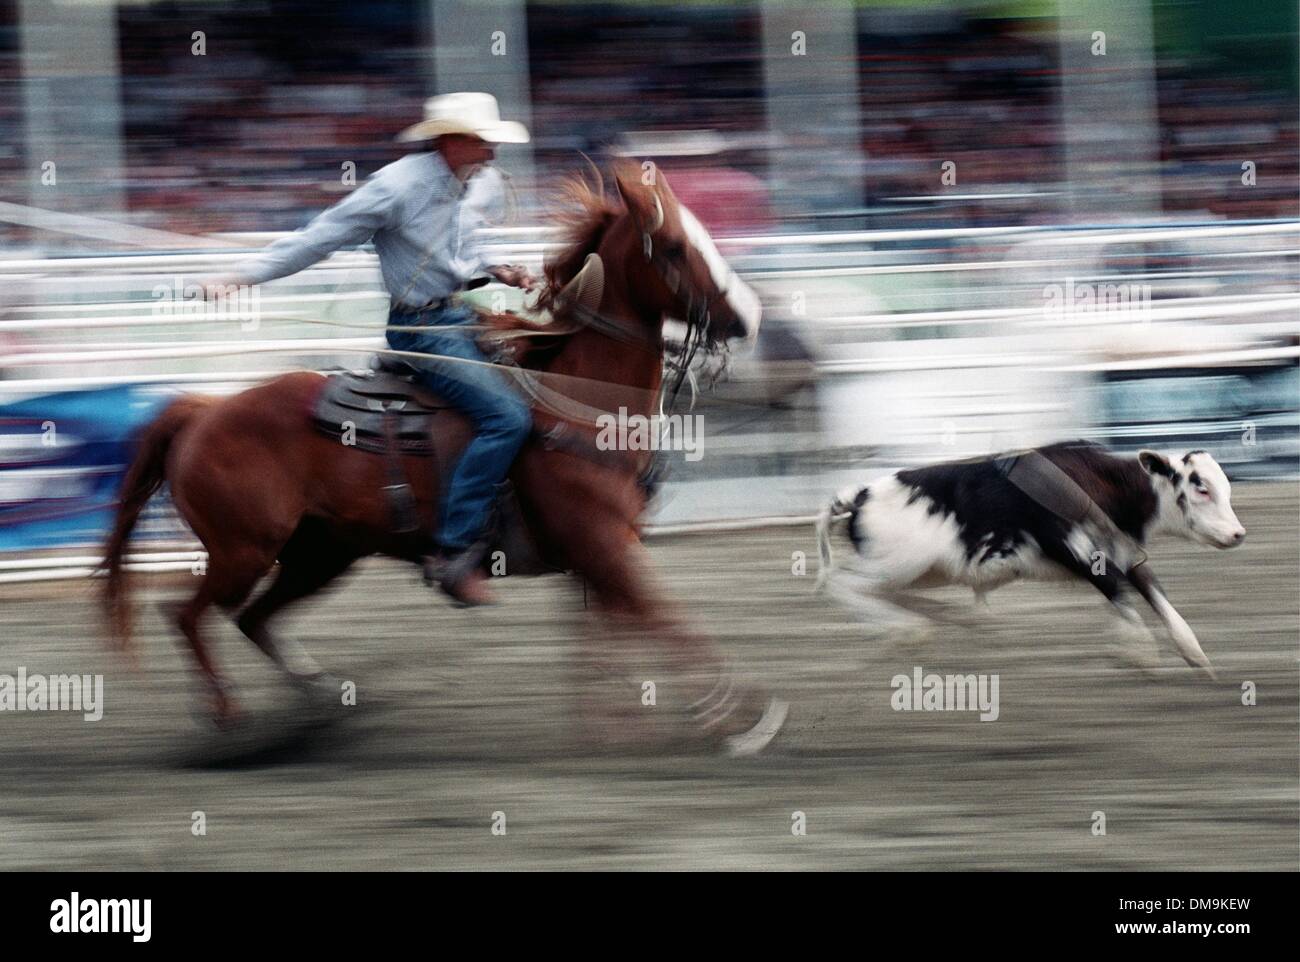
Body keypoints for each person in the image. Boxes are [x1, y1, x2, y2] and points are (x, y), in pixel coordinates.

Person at [204, 92, 536, 606]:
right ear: (452, 141)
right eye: (482, 140)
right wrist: (242, 277)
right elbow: (320, 237)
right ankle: (454, 550)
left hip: (458, 314)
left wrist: (498, 268)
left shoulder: (466, 181)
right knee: (507, 417)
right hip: (423, 330)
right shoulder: (396, 187)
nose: (491, 151)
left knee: (534, 381)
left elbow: (461, 250)